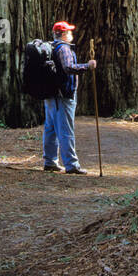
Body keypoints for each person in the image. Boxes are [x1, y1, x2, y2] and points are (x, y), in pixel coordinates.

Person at [43, 20, 96, 175]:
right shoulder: (64, 49)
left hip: (51, 95)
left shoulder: (51, 47)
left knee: (51, 129)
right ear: (64, 34)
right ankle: (72, 164)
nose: (71, 34)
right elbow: (68, 68)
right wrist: (87, 66)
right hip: (63, 96)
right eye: (69, 31)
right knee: (65, 130)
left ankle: (50, 161)